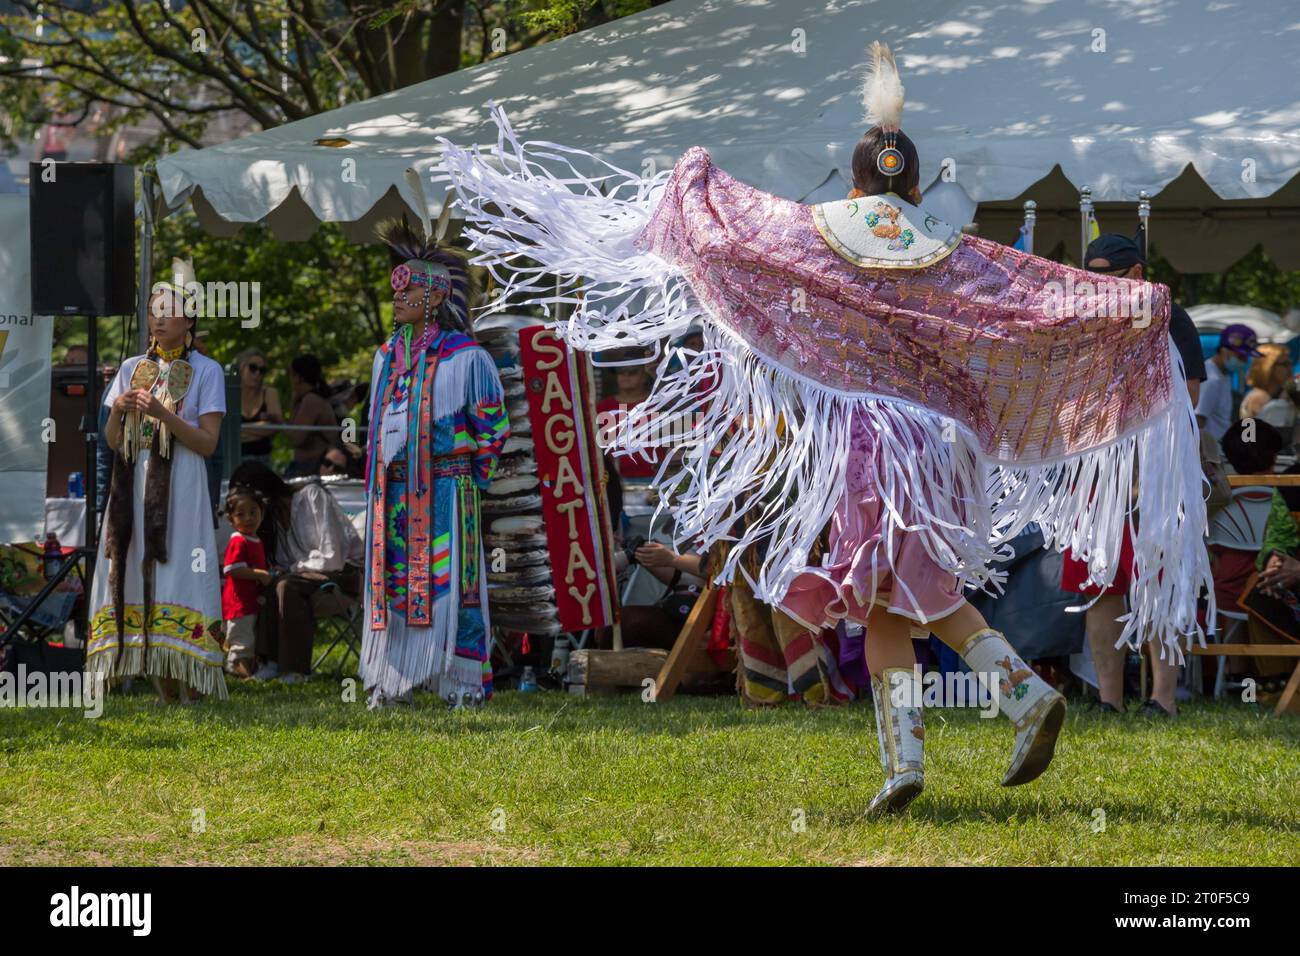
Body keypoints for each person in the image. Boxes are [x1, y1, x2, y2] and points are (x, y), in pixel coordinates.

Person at [441, 42, 1212, 815]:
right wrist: (1131, 308)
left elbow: (737, 239)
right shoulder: (951, 249)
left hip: (872, 445)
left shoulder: (816, 233)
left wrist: (695, 185)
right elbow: (1036, 301)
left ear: (854, 180)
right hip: (940, 443)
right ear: (915, 181)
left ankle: (1017, 700)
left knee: (911, 590)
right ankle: (907, 763)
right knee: (886, 602)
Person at [360, 219, 510, 709]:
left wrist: (469, 481)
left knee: (452, 585)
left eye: (407, 292)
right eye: (395, 292)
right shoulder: (385, 357)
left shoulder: (466, 357)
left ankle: (459, 684)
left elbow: (493, 428)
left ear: (432, 299)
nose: (397, 300)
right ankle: (393, 680)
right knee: (394, 584)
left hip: (447, 492)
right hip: (395, 494)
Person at [88, 258, 228, 702]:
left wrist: (164, 414)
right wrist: (118, 409)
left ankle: (195, 685)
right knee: (132, 568)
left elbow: (207, 444)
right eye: (153, 311)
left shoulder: (207, 371)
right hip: (132, 486)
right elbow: (113, 442)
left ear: (189, 320)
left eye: (169, 311)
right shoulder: (130, 368)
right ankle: (163, 688)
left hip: (182, 490)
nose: (159, 319)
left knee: (180, 573)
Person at [227, 460, 363, 683]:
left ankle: (295, 670)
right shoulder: (271, 523)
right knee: (272, 582)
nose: (249, 516)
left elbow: (332, 556)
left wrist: (290, 569)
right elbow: (281, 563)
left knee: (286, 585)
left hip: (342, 576)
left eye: (252, 507)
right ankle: (269, 662)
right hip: (304, 581)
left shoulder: (312, 496)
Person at [221, 487, 271, 679]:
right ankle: (238, 670)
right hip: (238, 602)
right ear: (230, 519)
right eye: (241, 514)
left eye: (253, 512)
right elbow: (231, 568)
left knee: (250, 639)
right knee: (241, 639)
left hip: (250, 601)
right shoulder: (239, 541)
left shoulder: (255, 539)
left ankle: (245, 669)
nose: (248, 518)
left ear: (262, 513)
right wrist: (259, 574)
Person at [596, 351, 661, 480]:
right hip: (614, 481)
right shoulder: (603, 407)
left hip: (657, 479)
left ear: (645, 375)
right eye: (620, 371)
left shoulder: (659, 403)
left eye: (632, 372)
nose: (626, 375)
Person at [1197, 324, 1261, 448]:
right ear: (1224, 350)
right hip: (1210, 453)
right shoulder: (1211, 378)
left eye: (1246, 357)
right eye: (1240, 356)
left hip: (1219, 449)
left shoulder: (1223, 375)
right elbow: (1198, 420)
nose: (1244, 361)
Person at [284, 355, 339, 478]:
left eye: (291, 375)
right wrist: (293, 404)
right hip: (306, 465)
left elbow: (296, 438)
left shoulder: (311, 400)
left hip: (313, 467)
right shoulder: (306, 399)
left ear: (298, 378)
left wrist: (277, 420)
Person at [1240, 343, 1296, 448]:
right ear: (1268, 366)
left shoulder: (1271, 394)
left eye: (1290, 363)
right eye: (1285, 364)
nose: (1290, 368)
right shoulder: (1259, 396)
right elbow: (1251, 438)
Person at [235, 347, 283, 466]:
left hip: (262, 460)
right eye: (253, 368)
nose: (257, 373)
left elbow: (275, 427)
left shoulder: (270, 393)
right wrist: (260, 428)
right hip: (234, 460)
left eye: (262, 370)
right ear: (241, 368)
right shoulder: (229, 394)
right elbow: (222, 431)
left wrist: (240, 429)